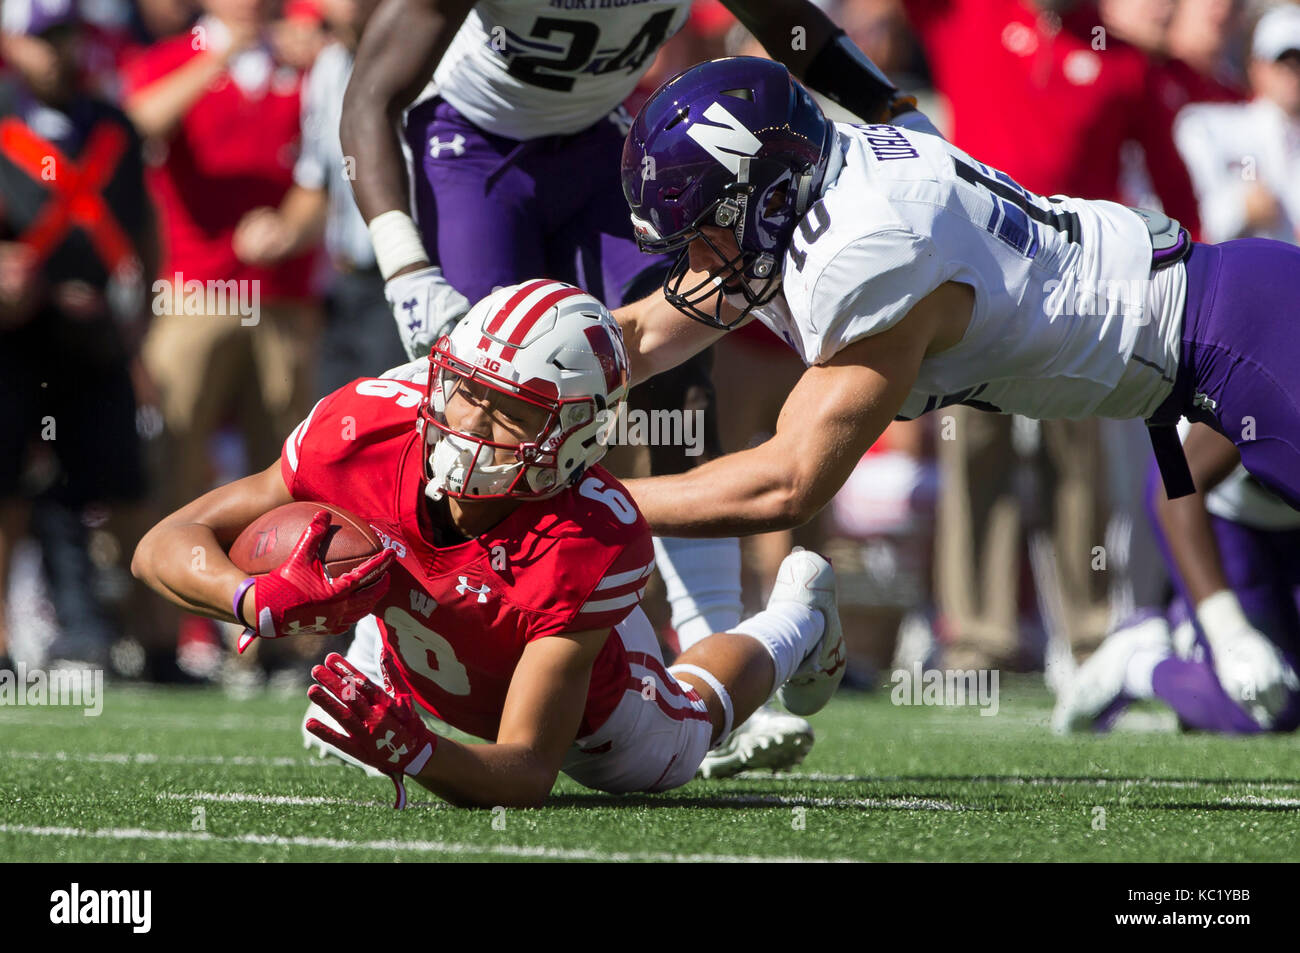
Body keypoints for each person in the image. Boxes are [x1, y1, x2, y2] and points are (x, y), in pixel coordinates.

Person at [343, 0, 917, 775]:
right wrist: (404, 265)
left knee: (674, 367)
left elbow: (789, 25)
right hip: (468, 145)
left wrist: (885, 107)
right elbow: (370, 95)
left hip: (598, 146)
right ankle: (389, 642)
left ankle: (709, 631)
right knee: (493, 400)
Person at [132, 282, 844, 806]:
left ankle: (799, 618)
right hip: (428, 620)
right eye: (466, 389)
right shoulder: (366, 430)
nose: (470, 419)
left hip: (567, 696)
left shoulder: (589, 537)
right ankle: (380, 652)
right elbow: (163, 542)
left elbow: (527, 769)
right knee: (382, 619)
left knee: (685, 733)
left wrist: (419, 750)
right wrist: (250, 596)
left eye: (512, 409)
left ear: (579, 434)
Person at [609, 56, 1300, 562]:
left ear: (768, 200)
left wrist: (591, 508)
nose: (691, 264)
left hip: (1243, 336)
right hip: (1232, 321)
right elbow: (637, 338)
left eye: (702, 234)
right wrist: (516, 388)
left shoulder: (867, 250)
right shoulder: (831, 169)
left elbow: (785, 482)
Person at [0, 0, 154, 670]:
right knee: (6, 486)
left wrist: (140, 310)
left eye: (67, 36)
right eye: (44, 39)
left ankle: (143, 640)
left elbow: (143, 228)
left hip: (95, 341)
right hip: (14, 338)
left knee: (114, 483)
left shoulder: (112, 124)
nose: (59, 52)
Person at [1054, 422, 1299, 734]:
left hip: (1285, 519)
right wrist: (1230, 634)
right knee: (1267, 706)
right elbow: (1179, 482)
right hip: (1210, 505)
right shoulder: (1277, 388)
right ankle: (1138, 663)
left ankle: (1185, 631)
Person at [1174, 3, 1300, 245]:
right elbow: (1187, 220)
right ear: (1257, 67)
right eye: (1283, 63)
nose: (1292, 76)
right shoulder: (1205, 126)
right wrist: (1242, 207)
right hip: (1235, 273)